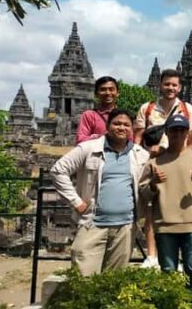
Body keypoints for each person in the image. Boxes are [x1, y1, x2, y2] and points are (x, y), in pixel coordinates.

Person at [51, 109, 149, 276]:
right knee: (84, 277)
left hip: (125, 227)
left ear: (132, 129)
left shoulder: (140, 155)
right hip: (93, 223)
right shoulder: (89, 148)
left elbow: (146, 186)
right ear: (107, 126)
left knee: (114, 280)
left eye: (126, 125)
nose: (121, 128)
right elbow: (58, 170)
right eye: (117, 123)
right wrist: (76, 202)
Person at [139, 114, 192, 295]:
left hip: (191, 224)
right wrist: (153, 183)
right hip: (164, 225)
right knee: (168, 273)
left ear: (187, 133)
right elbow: (144, 193)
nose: (178, 134)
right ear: (167, 133)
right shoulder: (154, 162)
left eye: (182, 130)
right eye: (174, 130)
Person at [133, 69, 192, 269]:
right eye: (167, 84)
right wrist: (143, 155)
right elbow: (137, 137)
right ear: (160, 85)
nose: (170, 88)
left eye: (174, 85)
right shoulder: (148, 108)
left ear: (180, 87)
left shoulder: (188, 110)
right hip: (152, 162)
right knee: (152, 208)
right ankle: (152, 255)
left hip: (178, 163)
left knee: (176, 207)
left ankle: (175, 258)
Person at [76, 76, 121, 144]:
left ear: (118, 93)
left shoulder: (123, 116)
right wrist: (101, 137)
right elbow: (80, 140)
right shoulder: (89, 115)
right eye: (103, 89)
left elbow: (130, 140)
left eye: (111, 89)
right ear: (96, 94)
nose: (107, 93)